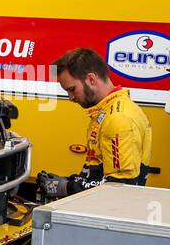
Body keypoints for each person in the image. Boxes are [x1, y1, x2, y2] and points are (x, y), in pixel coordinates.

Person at [37, 47, 154, 199]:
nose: (70, 97)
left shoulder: (118, 119)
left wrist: (67, 187)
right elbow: (97, 172)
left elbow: (120, 187)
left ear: (91, 79)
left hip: (110, 214)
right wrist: (70, 181)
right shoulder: (106, 111)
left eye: (72, 89)